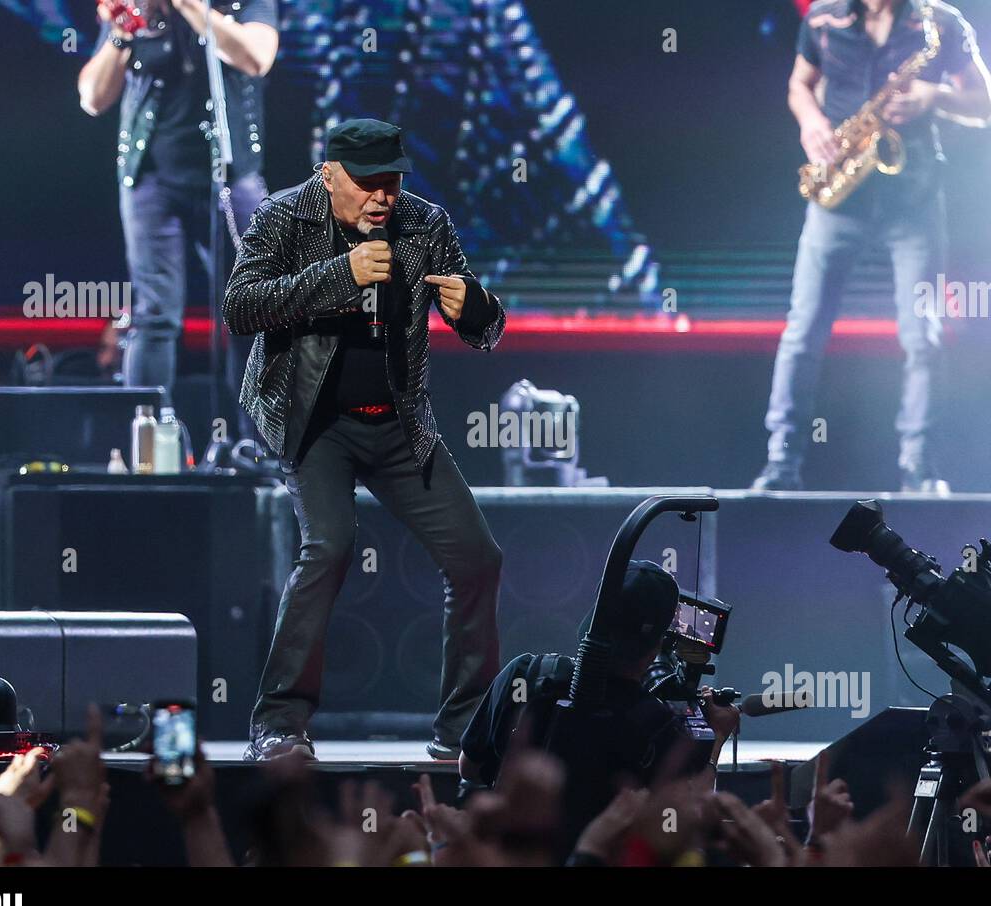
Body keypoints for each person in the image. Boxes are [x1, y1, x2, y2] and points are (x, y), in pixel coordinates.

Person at [223, 119, 507, 762]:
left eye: (392, 183)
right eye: (368, 184)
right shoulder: (283, 217)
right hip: (313, 419)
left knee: (478, 557)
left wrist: (478, 309)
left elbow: (488, 331)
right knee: (330, 545)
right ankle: (280, 723)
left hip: (400, 423)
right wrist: (341, 273)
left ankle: (463, 727)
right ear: (330, 175)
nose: (383, 198)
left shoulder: (424, 223)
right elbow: (240, 308)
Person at [751, 0, 991, 493]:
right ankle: (782, 463)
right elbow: (799, 84)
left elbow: (986, 106)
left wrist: (936, 97)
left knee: (922, 336)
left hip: (914, 197)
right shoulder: (823, 19)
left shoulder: (939, 22)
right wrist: (811, 124)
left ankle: (919, 469)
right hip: (838, 196)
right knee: (803, 332)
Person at [77, 0, 280, 444]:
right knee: (154, 316)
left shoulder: (246, 4)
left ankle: (261, 447)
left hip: (231, 177)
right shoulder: (138, 10)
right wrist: (119, 34)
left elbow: (256, 58)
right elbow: (92, 98)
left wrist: (192, 6)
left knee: (253, 311)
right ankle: (145, 448)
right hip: (152, 180)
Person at [458, 560, 741, 795]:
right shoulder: (655, 724)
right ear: (658, 643)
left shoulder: (525, 673)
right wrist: (716, 737)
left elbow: (469, 768)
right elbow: (692, 808)